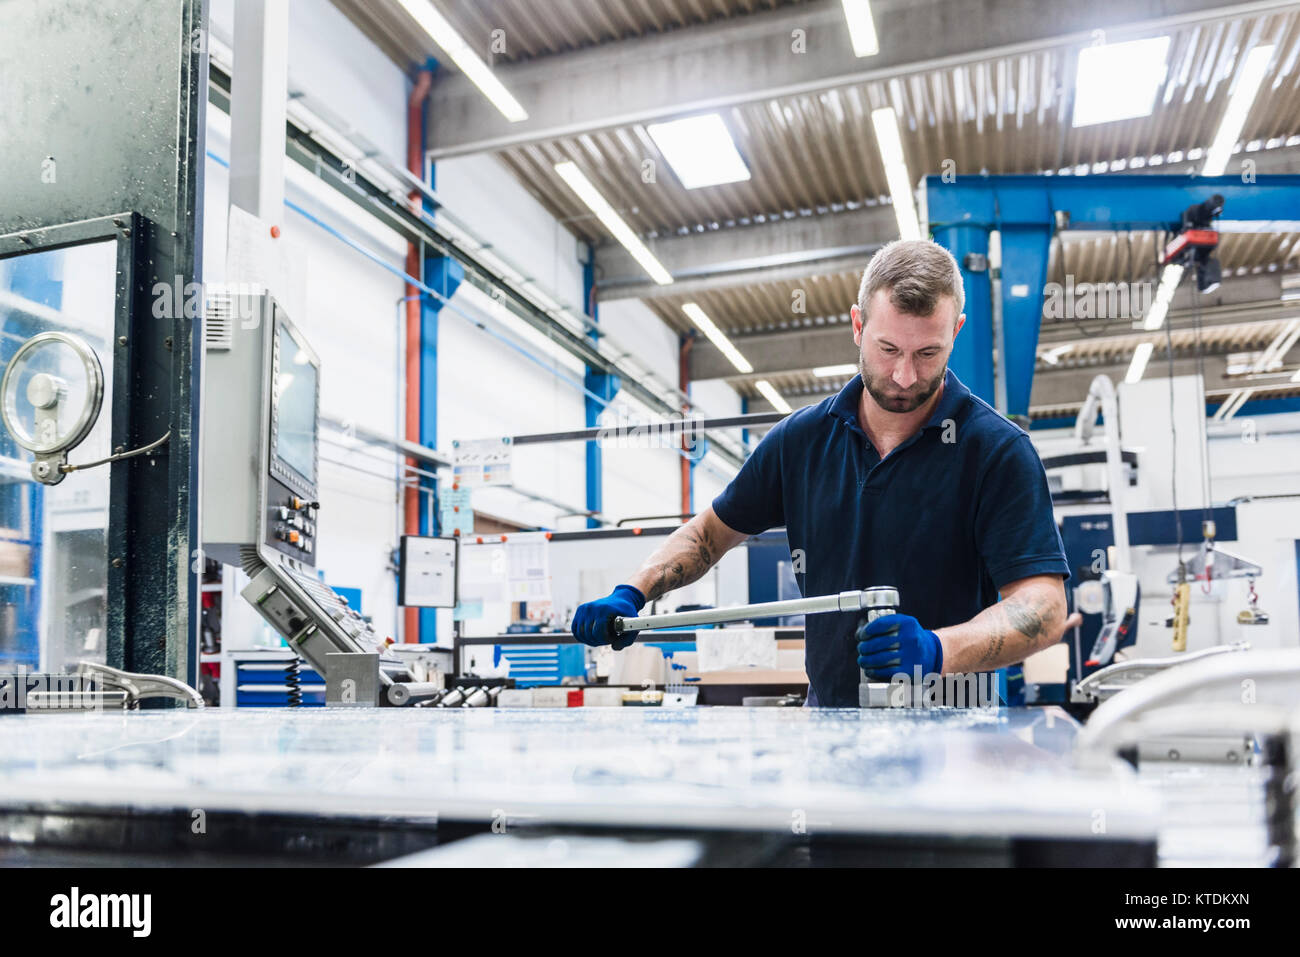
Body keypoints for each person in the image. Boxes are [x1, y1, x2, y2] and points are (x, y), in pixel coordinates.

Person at [571, 239, 1070, 706]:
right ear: (857, 325)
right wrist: (632, 591)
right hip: (834, 731)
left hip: (961, 737)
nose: (904, 376)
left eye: (927, 353)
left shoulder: (997, 452)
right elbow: (708, 534)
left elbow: (1043, 606)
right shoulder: (800, 442)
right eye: (888, 349)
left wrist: (938, 651)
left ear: (955, 331)